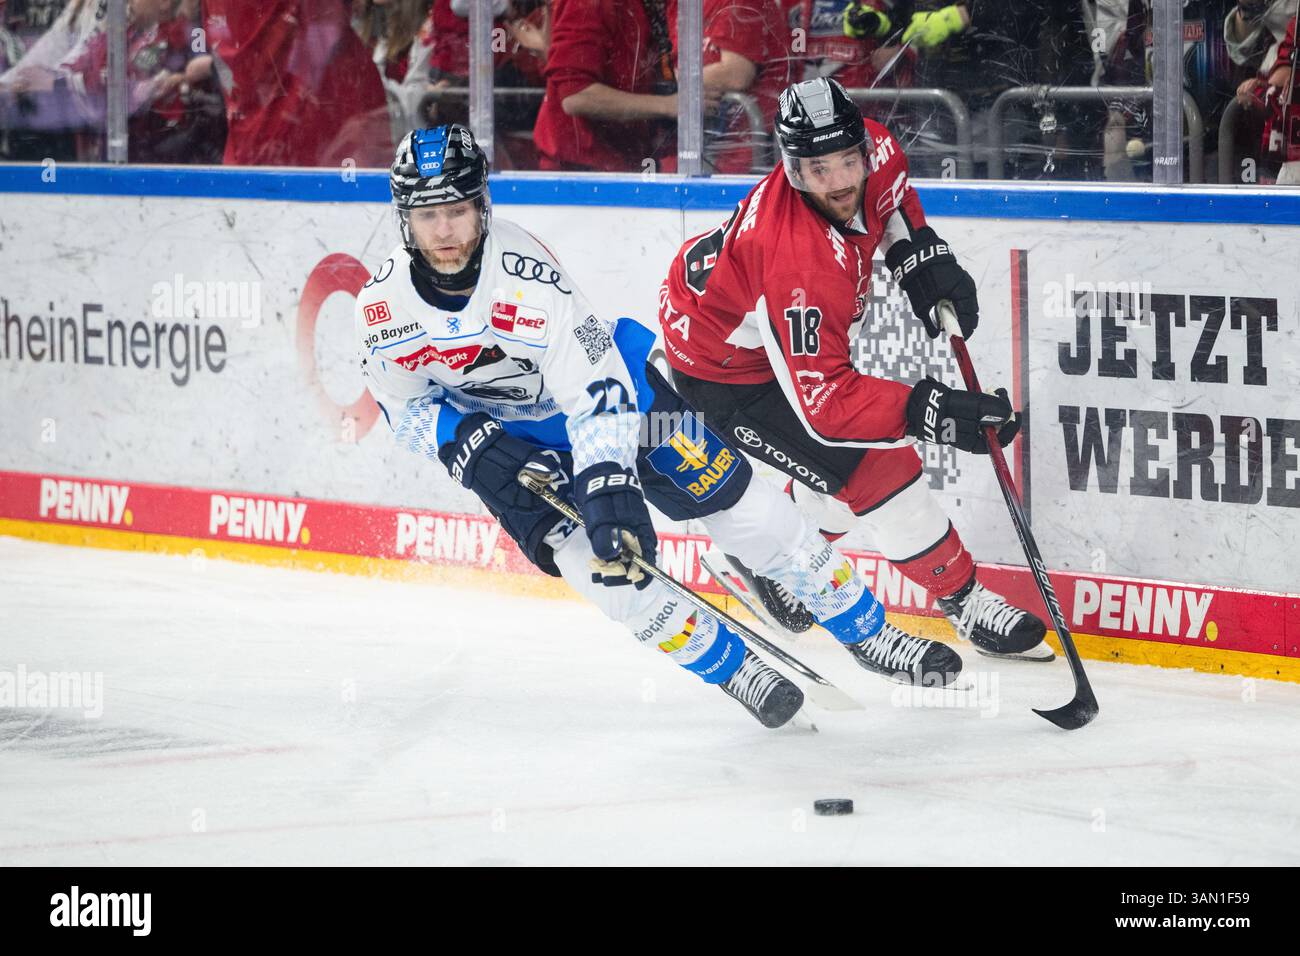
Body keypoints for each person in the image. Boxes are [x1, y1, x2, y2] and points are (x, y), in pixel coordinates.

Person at [357, 123, 966, 730]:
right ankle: (735, 670)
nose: (444, 231)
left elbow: (599, 393)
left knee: (752, 512)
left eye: (458, 210)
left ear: (481, 205)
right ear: (403, 217)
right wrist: (459, 442)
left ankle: (869, 630)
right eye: (427, 214)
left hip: (621, 409)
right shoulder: (381, 309)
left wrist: (605, 484)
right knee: (609, 579)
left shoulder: (529, 280)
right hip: (510, 448)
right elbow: (402, 406)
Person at [657, 77, 1054, 662]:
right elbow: (829, 410)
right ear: (792, 171)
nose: (842, 180)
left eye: (849, 159)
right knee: (878, 466)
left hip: (759, 338)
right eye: (820, 169)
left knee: (842, 469)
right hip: (724, 371)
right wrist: (936, 413)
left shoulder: (877, 148)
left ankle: (767, 562)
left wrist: (917, 251)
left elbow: (890, 199)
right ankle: (964, 600)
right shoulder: (797, 261)